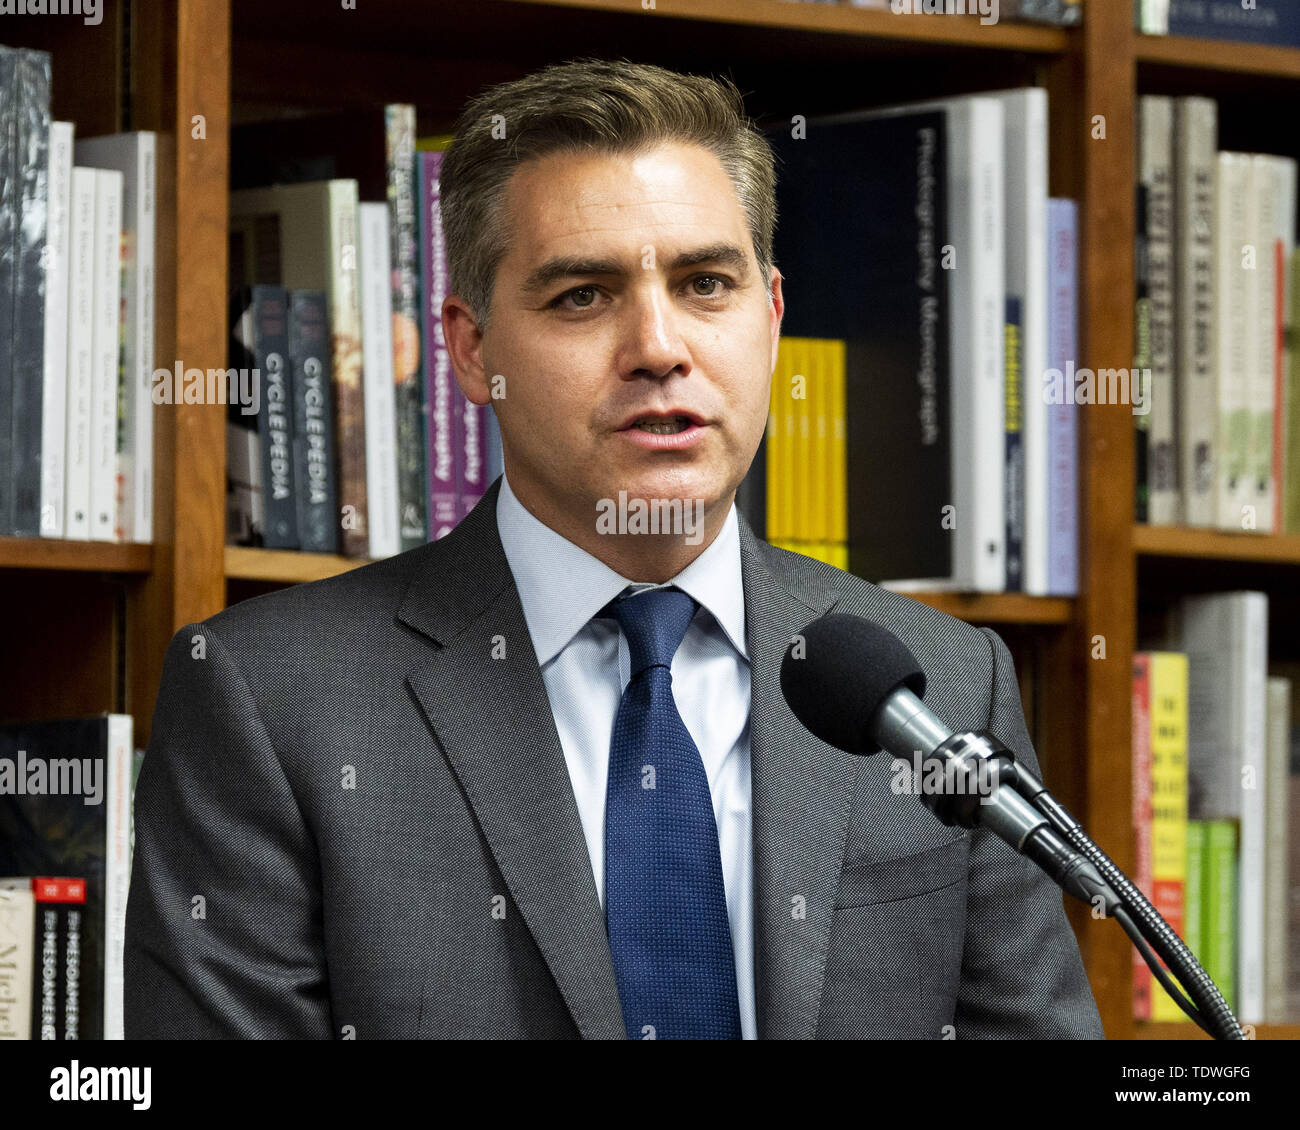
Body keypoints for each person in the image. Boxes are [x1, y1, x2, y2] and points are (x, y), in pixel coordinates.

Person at [125, 57, 1104, 1039]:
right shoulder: (267, 698)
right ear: (470, 349)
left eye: (704, 282)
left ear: (768, 317)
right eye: (583, 295)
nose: (658, 344)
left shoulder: (936, 682)